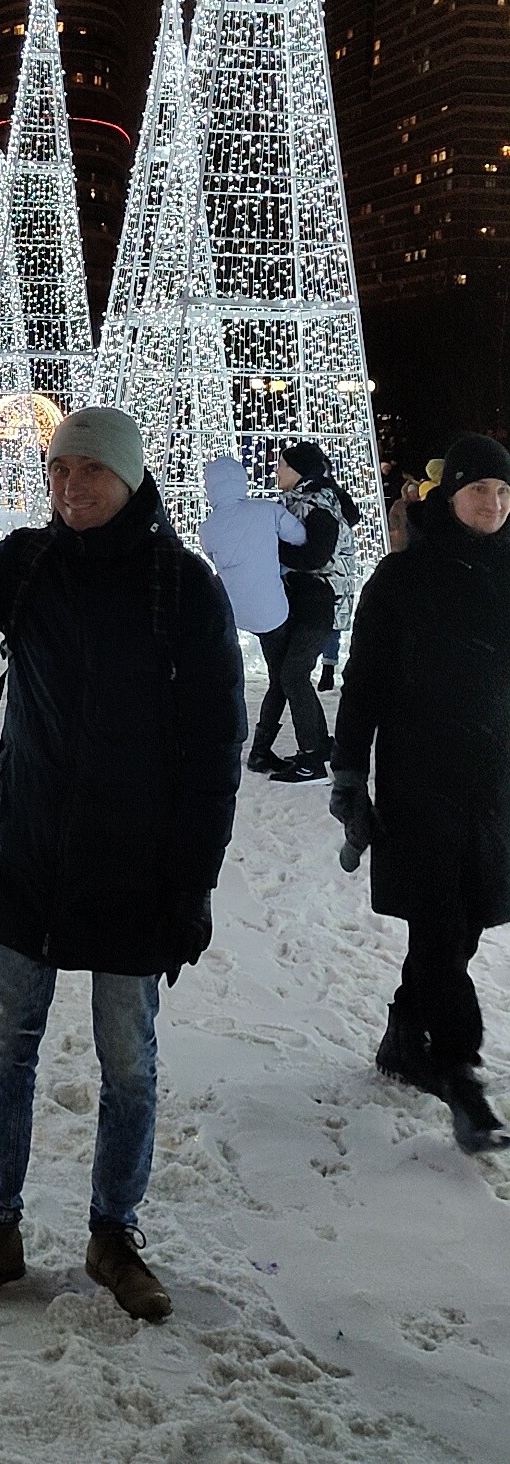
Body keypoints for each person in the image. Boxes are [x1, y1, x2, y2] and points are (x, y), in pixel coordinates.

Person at [0, 409, 245, 1319]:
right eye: (57, 472)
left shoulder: (183, 585)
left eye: (90, 472)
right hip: (31, 855)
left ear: (129, 478)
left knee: (129, 1066)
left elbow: (214, 750)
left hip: (136, 867)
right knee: (7, 1053)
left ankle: (114, 1235)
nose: (72, 488)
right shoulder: (31, 563)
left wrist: (193, 885)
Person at [331, 434, 510, 1155]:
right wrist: (348, 772)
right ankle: (458, 1069)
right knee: (440, 921)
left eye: (503, 493)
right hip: (421, 784)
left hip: (496, 788)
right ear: (450, 496)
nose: (493, 505)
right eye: (479, 492)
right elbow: (364, 682)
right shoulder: (402, 580)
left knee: (461, 924)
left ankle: (407, 1032)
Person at [248, 441, 356, 783]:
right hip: (297, 600)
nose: (275, 471)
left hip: (318, 601)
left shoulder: (319, 505)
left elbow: (315, 557)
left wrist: (270, 547)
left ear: (299, 471)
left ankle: (311, 760)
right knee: (285, 675)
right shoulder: (296, 503)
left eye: (281, 465)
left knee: (292, 676)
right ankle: (310, 748)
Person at [198, 456, 307, 638]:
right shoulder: (268, 510)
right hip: (275, 612)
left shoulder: (207, 529)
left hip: (235, 616)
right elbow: (300, 537)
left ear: (210, 488)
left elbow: (212, 558)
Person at [386, 476, 421, 555]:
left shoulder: (419, 503)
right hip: (403, 534)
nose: (413, 495)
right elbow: (393, 518)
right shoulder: (400, 504)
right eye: (411, 493)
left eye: (414, 492)